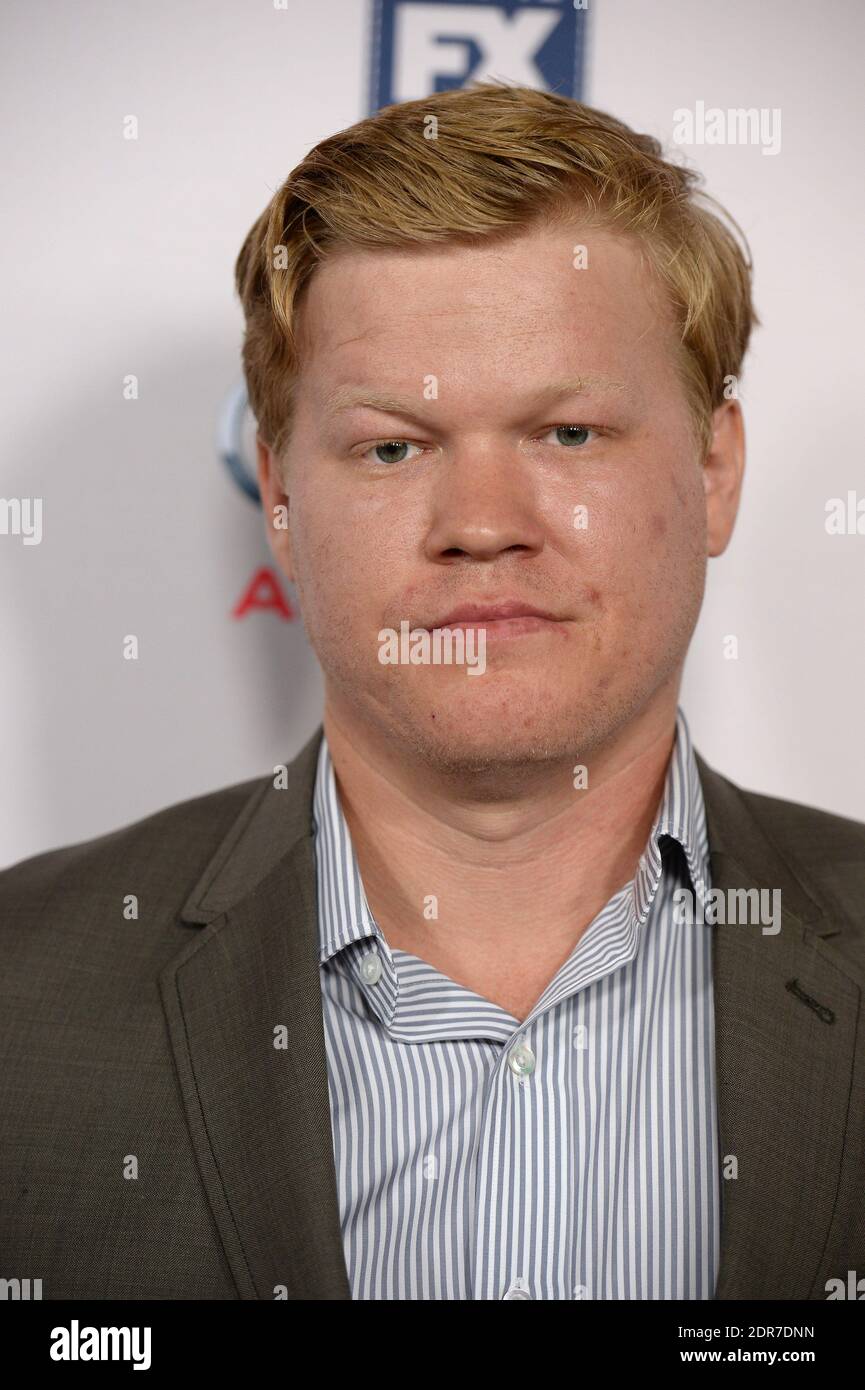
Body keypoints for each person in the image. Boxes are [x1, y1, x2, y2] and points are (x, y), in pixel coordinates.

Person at [2, 82, 863, 1302]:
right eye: (392, 446)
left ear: (715, 470)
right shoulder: (18, 994)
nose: (481, 527)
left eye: (567, 433)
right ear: (282, 500)